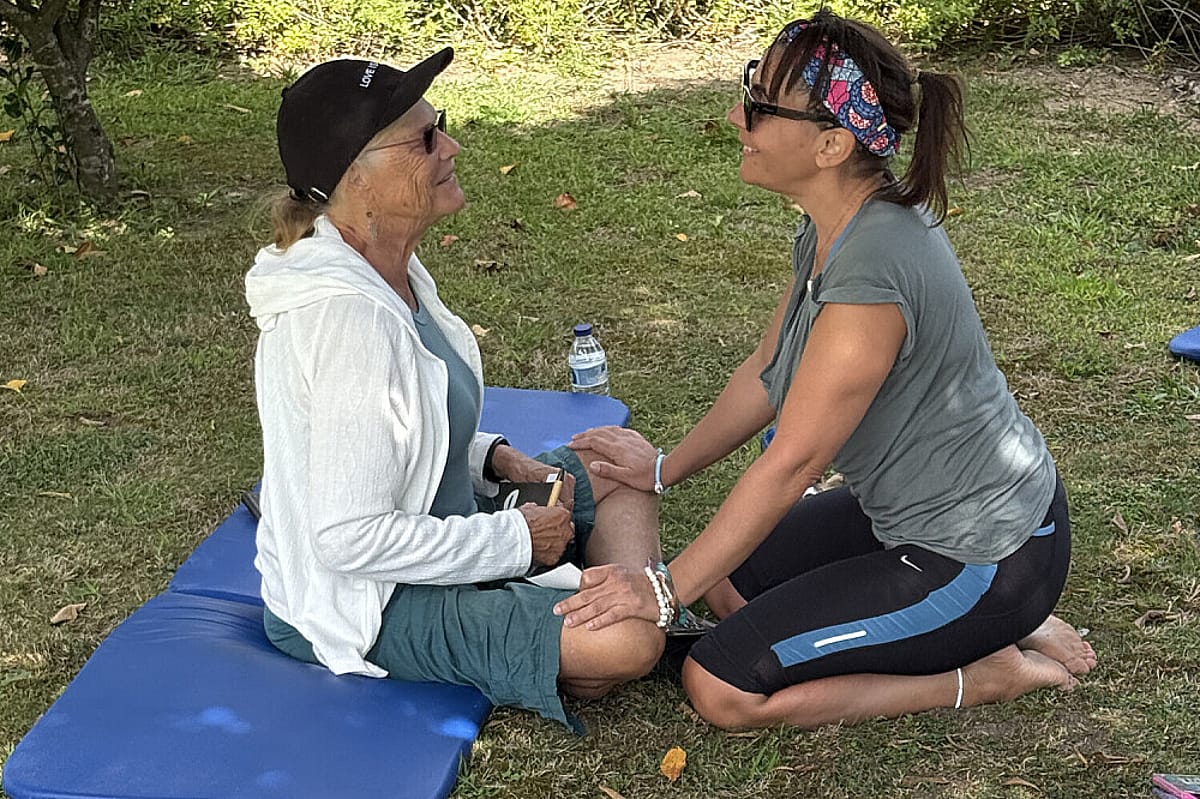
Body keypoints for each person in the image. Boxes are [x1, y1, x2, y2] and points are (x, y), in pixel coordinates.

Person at [557, 10, 1097, 729]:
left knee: (719, 684)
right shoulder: (833, 223)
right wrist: (660, 470)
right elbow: (767, 370)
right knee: (721, 579)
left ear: (832, 144)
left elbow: (791, 463)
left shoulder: (873, 274)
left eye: (759, 103)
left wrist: (659, 592)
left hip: (983, 554)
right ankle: (984, 625)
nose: (736, 115)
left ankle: (987, 668)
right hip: (915, 521)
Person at [245, 49, 664, 730]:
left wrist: (488, 456)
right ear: (357, 178)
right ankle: (596, 615)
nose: (452, 146)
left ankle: (600, 598)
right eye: (425, 138)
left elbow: (404, 427)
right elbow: (348, 539)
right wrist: (515, 541)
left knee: (622, 457)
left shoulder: (390, 266)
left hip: (444, 526)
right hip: (375, 598)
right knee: (630, 641)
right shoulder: (348, 318)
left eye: (441, 125)